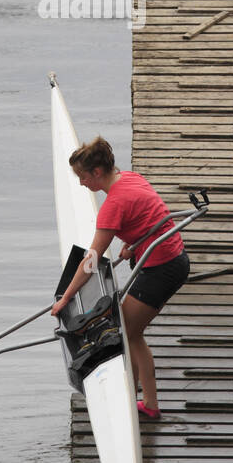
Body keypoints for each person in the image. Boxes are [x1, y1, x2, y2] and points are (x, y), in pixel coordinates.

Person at [50, 136, 190, 419]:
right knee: (130, 331)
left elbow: (90, 263)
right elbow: (152, 217)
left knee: (126, 332)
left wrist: (66, 297)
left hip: (162, 269)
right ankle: (135, 396)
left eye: (83, 177)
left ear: (97, 173)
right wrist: (134, 245)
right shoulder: (130, 179)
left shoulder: (113, 204)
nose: (81, 183)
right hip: (174, 259)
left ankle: (148, 405)